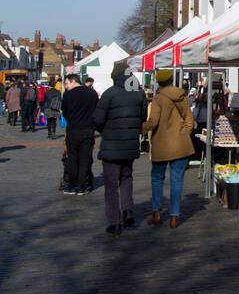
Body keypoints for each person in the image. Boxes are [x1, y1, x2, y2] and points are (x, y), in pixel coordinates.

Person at [93, 61, 149, 235]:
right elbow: (142, 117)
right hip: (130, 144)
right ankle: (128, 210)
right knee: (126, 178)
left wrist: (106, 131)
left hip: (111, 145)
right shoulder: (139, 94)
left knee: (111, 186)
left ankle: (115, 221)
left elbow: (97, 120)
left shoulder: (109, 94)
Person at [142, 69, 195, 229]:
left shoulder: (158, 98)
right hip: (180, 144)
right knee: (176, 180)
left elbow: (153, 122)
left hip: (162, 144)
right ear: (172, 79)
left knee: (157, 178)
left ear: (159, 82)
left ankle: (157, 213)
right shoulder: (182, 96)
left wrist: (140, 127)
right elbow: (189, 119)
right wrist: (184, 133)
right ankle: (174, 216)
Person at [60, 72, 98, 194]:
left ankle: (71, 185)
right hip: (88, 130)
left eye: (66, 83)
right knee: (84, 159)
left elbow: (64, 111)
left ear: (73, 81)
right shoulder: (92, 93)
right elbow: (97, 110)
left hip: (73, 130)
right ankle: (81, 186)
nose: (65, 86)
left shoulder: (68, 95)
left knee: (72, 159)